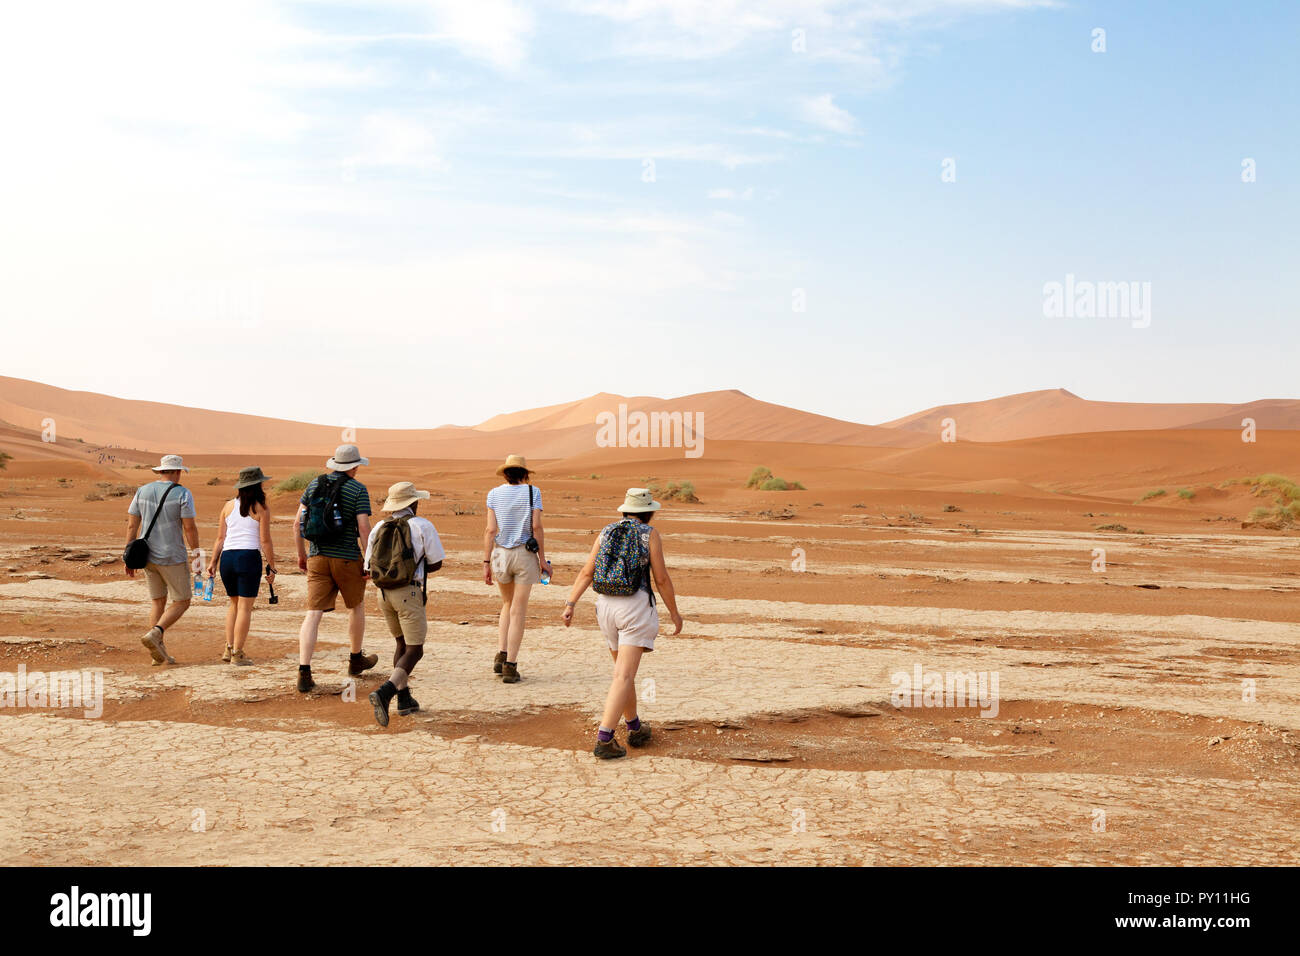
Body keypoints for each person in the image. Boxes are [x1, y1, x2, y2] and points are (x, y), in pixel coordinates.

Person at [562, 488, 683, 759]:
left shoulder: (605, 531)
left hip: (605, 606)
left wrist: (570, 604)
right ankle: (604, 738)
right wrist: (674, 612)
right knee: (624, 675)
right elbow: (661, 578)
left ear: (625, 510)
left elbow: (586, 571)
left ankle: (635, 726)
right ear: (649, 512)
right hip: (635, 607)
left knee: (622, 672)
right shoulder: (649, 534)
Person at [293, 444, 377, 692]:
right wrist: (369, 560)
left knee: (313, 613)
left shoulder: (314, 484)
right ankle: (355, 659)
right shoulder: (357, 489)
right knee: (356, 606)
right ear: (354, 466)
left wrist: (302, 555)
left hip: (317, 556)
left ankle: (304, 671)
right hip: (347, 558)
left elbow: (297, 522)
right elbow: (364, 528)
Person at [363, 481, 445, 726]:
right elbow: (437, 563)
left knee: (401, 643)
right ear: (414, 503)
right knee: (415, 649)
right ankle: (386, 691)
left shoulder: (378, 527)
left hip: (383, 595)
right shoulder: (422, 526)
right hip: (408, 593)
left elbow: (368, 566)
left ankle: (404, 698)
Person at [124, 454, 200, 666]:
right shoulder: (182, 493)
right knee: (182, 601)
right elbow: (189, 527)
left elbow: (132, 525)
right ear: (176, 472)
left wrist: (128, 556)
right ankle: (156, 633)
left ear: (160, 471)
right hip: (171, 555)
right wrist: (196, 553)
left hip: (145, 555)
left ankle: (157, 652)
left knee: (158, 601)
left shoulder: (143, 490)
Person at [483, 454, 551, 683]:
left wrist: (485, 562)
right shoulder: (533, 492)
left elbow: (490, 530)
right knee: (518, 609)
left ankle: (501, 654)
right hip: (524, 554)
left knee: (507, 604)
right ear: (525, 473)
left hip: (500, 553)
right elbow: (536, 526)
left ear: (505, 474)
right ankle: (511, 665)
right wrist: (543, 559)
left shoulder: (493, 494)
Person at [205, 467, 278, 666]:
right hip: (248, 557)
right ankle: (238, 653)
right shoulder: (261, 508)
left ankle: (229, 648)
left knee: (234, 604)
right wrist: (272, 565)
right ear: (257, 486)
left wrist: (212, 562)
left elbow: (220, 538)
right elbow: (265, 541)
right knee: (245, 608)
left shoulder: (227, 506)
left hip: (227, 558)